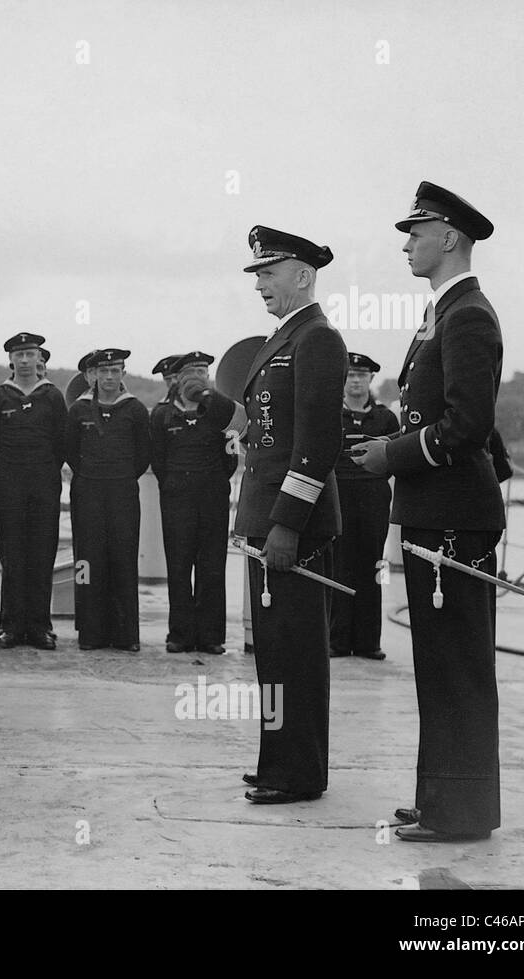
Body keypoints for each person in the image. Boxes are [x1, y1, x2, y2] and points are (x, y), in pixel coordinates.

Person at [353, 182, 503, 842]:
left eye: (416, 232)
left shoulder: (467, 315)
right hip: (434, 511)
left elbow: (466, 427)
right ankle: (441, 796)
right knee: (437, 668)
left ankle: (461, 812)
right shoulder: (441, 314)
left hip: (453, 516)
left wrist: (394, 455)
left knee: (457, 669)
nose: (406, 243)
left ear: (450, 238)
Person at [186, 226, 346, 805]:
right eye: (256, 274)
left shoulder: (317, 339)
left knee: (297, 653)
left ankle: (299, 773)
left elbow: (316, 440)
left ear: (302, 275)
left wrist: (286, 523)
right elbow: (269, 433)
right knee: (274, 652)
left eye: (269, 273)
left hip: (290, 524)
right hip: (264, 517)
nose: (260, 284)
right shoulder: (284, 338)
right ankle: (278, 762)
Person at [148, 351, 237, 654]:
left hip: (213, 496)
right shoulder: (162, 414)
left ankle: (211, 636)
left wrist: (212, 481)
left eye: (203, 370)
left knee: (212, 566)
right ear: (179, 376)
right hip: (177, 499)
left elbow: (231, 457)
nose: (199, 376)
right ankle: (180, 634)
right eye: (192, 370)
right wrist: (175, 484)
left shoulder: (220, 411)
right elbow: (157, 459)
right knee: (179, 565)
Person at [0, 332, 67, 649]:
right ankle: (11, 626)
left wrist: (45, 471)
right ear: (11, 360)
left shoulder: (52, 397)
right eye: (18, 355)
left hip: (44, 485)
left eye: (30, 354)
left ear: (40, 359)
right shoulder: (0, 397)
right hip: (10, 487)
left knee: (42, 554)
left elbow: (62, 442)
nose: (24, 360)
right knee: (13, 555)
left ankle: (40, 627)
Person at [66, 348, 152, 651]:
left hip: (122, 493)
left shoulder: (135, 410)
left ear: (123, 374)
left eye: (115, 371)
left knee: (123, 559)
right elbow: (69, 450)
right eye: (104, 371)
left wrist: (122, 475)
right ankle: (91, 633)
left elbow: (144, 454)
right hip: (88, 491)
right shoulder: (78, 411)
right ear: (93, 375)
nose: (109, 377)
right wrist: (91, 474)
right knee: (88, 561)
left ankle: (126, 635)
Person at [330, 352, 398, 660]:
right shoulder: (331, 415)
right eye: (350, 375)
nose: (355, 381)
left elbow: (394, 458)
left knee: (373, 566)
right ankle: (338, 639)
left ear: (370, 379)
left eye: (361, 375)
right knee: (340, 565)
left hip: (373, 496)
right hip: (341, 495)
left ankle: (369, 641)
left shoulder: (385, 418)